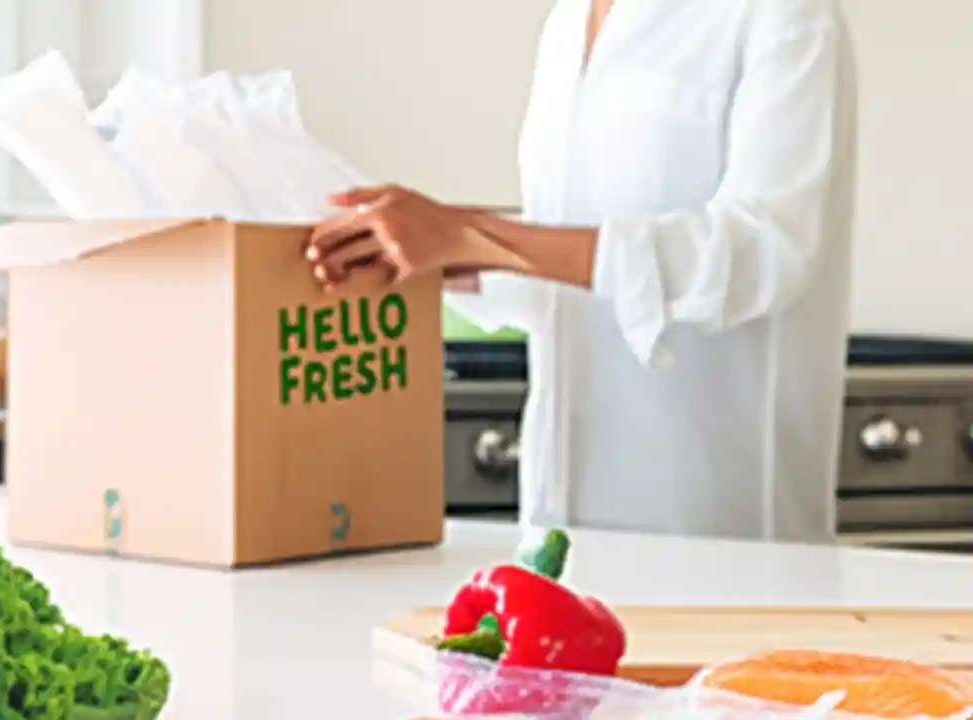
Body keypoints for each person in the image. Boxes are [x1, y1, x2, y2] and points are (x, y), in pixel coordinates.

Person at [306, 0, 858, 543]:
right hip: (560, 524)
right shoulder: (568, 23)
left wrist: (470, 235)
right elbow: (571, 263)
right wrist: (446, 258)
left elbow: (766, 254)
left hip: (719, 529)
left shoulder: (784, 15)